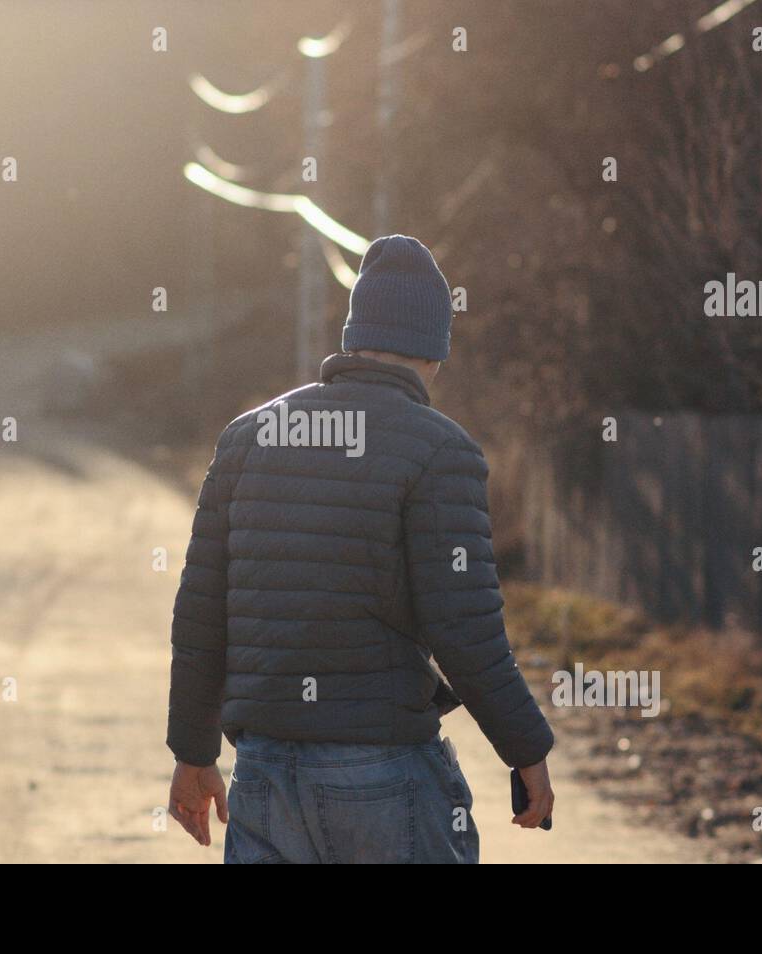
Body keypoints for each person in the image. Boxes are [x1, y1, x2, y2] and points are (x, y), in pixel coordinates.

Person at [166, 235, 554, 863]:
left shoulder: (247, 437)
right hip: (382, 775)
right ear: (433, 349)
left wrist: (192, 752)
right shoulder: (440, 450)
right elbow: (463, 626)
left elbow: (200, 612)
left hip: (263, 772)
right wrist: (526, 751)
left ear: (353, 335)